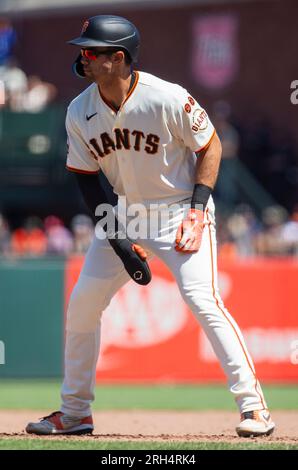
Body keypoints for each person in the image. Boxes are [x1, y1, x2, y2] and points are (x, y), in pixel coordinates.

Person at [26, 15, 274, 437]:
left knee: (203, 299)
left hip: (179, 209)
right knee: (84, 303)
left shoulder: (167, 97)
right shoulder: (79, 110)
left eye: (91, 51)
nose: (82, 57)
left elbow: (210, 145)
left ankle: (254, 408)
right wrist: (118, 238)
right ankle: (74, 413)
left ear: (117, 58)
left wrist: (198, 210)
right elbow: (85, 177)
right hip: (124, 212)